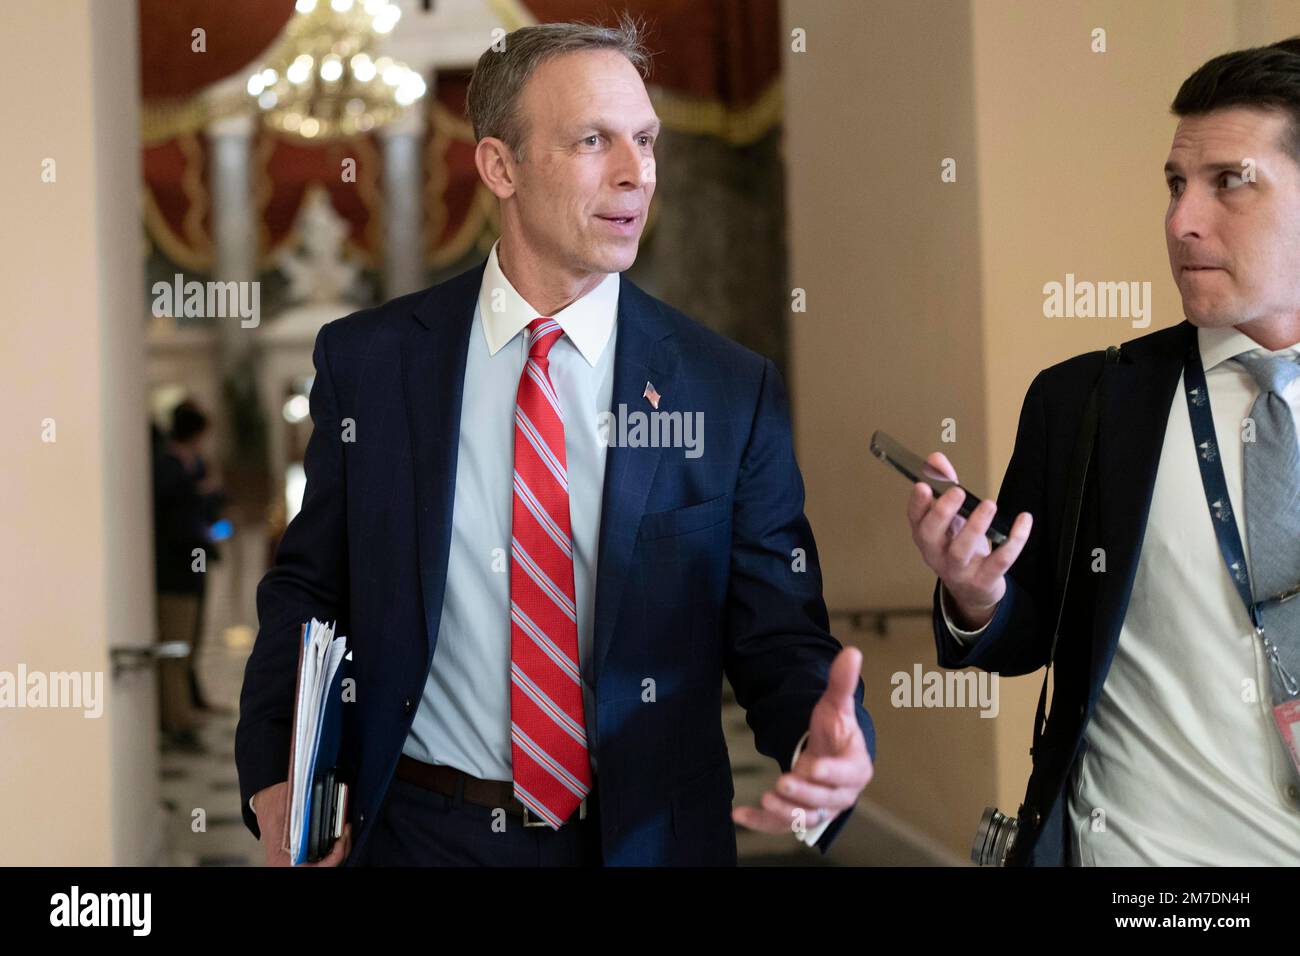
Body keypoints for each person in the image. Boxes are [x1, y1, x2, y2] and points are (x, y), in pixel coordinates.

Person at [236, 18, 875, 867]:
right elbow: (312, 587)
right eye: (592, 140)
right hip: (422, 836)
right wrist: (275, 770)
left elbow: (777, 635)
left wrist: (819, 746)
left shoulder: (726, 388)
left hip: (646, 841)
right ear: (499, 166)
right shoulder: (373, 363)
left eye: (646, 140)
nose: (635, 173)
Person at [907, 39, 1300, 865]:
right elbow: (1027, 637)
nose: (1182, 219)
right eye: (1174, 185)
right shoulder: (1086, 401)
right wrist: (974, 596)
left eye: (1230, 181)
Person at [152, 400, 222, 752]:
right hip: (173, 567)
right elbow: (176, 516)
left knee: (191, 638)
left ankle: (188, 704)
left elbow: (213, 504)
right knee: (176, 645)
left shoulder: (191, 466)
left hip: (194, 563)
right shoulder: (166, 467)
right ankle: (176, 718)